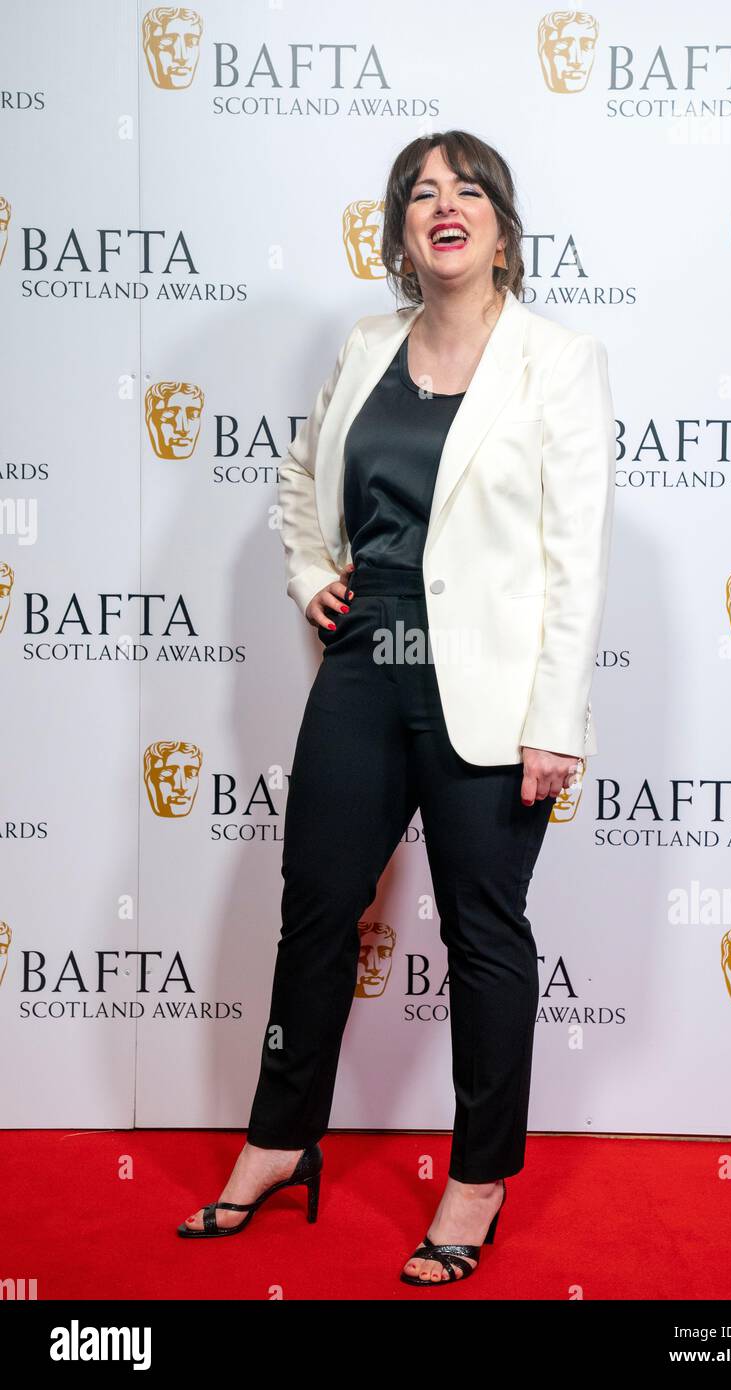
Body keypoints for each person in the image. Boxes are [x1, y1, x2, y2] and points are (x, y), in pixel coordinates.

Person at [177, 129, 616, 1289]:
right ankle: (279, 1138)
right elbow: (297, 481)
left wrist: (553, 717)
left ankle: (475, 1177)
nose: (442, 205)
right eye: (420, 193)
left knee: (482, 934)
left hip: (487, 684)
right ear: (400, 232)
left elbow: (575, 557)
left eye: (465, 189)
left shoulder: (556, 362)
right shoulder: (368, 347)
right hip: (365, 664)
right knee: (316, 904)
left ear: (501, 230)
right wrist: (309, 568)